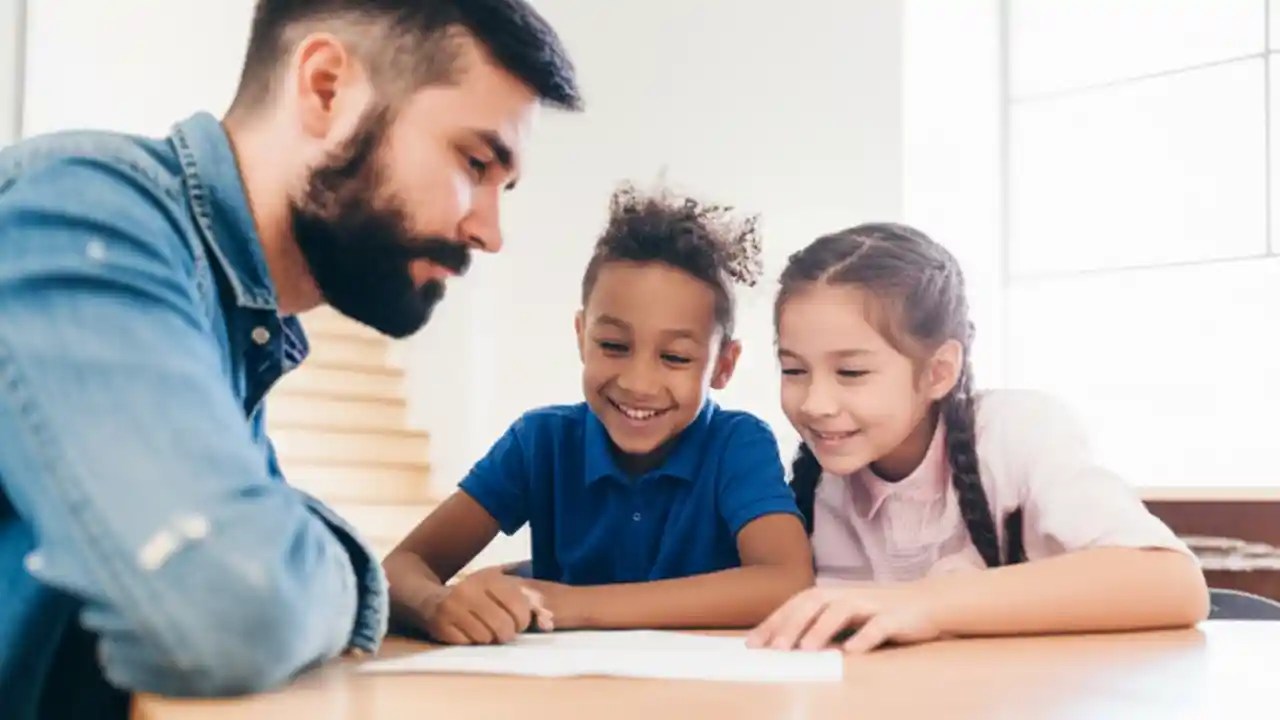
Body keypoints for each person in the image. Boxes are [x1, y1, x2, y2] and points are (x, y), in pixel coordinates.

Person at [0, 1, 581, 717]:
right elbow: (231, 608)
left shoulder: (239, 322)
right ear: (327, 87)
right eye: (474, 162)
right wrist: (358, 571)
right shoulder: (82, 208)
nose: (490, 232)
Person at [746, 223, 1208, 654]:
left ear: (939, 371)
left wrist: (928, 603)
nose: (815, 403)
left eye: (851, 372)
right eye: (793, 370)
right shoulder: (822, 486)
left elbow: (1173, 583)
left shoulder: (1016, 430)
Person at [383, 184, 814, 645]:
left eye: (675, 357)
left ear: (723, 365)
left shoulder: (737, 445)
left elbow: (786, 581)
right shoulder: (540, 442)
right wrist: (436, 605)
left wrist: (572, 604)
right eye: (613, 346)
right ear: (580, 335)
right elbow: (402, 567)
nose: (637, 382)